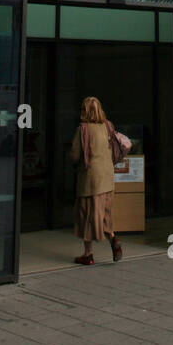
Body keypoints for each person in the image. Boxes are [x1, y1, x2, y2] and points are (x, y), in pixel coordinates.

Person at [70, 96, 122, 265]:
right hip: (108, 178)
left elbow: (75, 155)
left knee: (87, 215)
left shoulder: (83, 129)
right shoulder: (108, 126)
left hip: (90, 180)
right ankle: (113, 239)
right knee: (105, 214)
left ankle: (88, 254)